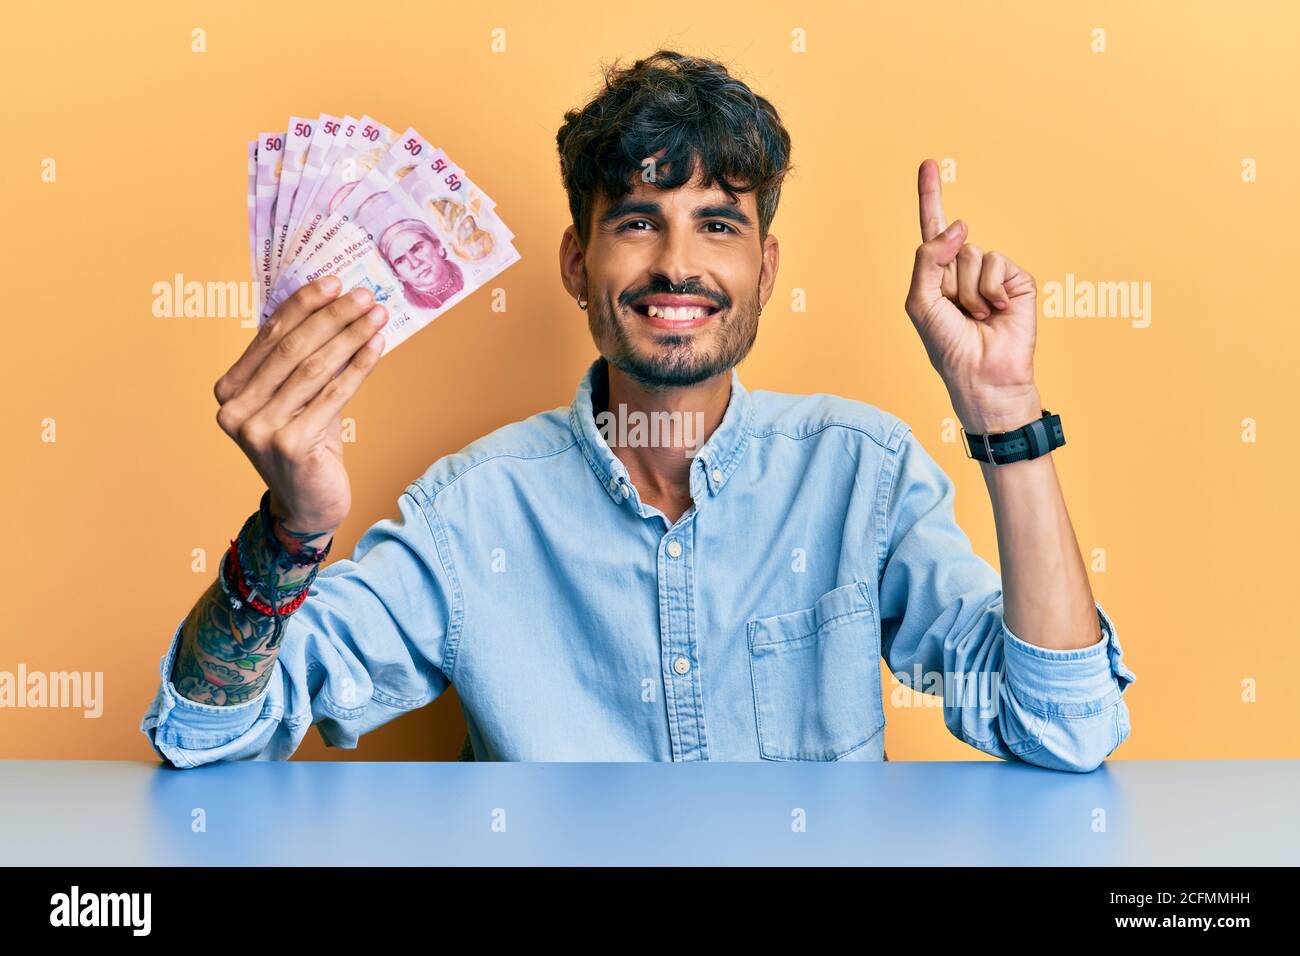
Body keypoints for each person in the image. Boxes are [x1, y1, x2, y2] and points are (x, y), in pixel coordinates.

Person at [141, 50, 1135, 770]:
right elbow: (203, 730)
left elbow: (1063, 724)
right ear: (578, 265)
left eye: (716, 223)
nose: (676, 264)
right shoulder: (469, 516)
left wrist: (1004, 410)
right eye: (635, 221)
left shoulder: (860, 476)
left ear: (764, 268)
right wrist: (293, 528)